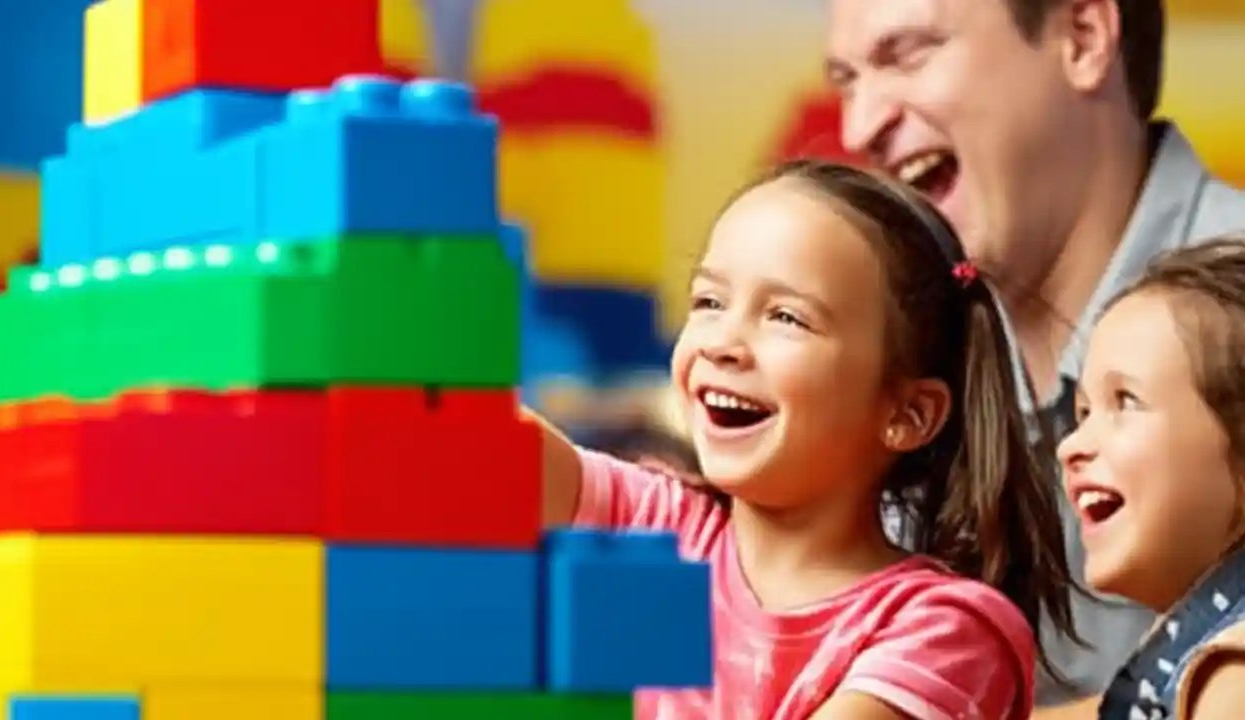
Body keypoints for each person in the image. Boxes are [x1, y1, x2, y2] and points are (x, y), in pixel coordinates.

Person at [532, 159, 1077, 719]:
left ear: (910, 413)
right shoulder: (652, 521)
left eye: (787, 317)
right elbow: (466, 433)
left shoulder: (944, 630)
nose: (723, 342)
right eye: (709, 302)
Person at [821, 0, 1245, 709]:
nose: (858, 127)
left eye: (907, 54)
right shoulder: (904, 368)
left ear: (1082, 37)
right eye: (847, 81)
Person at [1057, 236, 1245, 718]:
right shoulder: (1188, 650)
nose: (1070, 446)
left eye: (1125, 401)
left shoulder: (1232, 674)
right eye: (1082, 412)